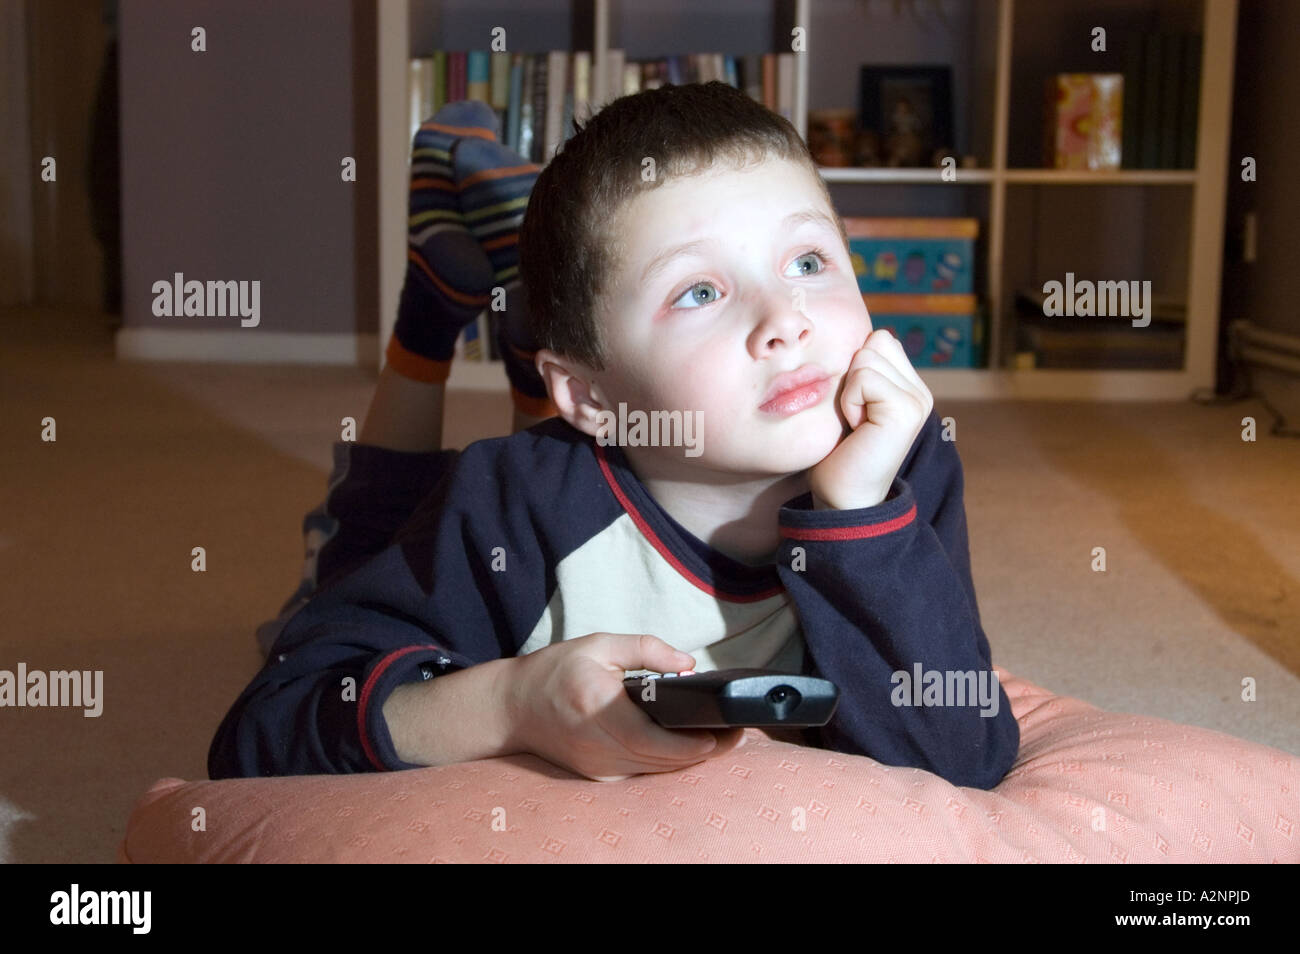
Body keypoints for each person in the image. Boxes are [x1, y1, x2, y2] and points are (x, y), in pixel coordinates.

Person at [210, 82, 1020, 790]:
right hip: (513, 479)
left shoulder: (897, 460)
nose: (787, 319)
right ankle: (430, 307)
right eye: (700, 291)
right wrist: (512, 703)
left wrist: (859, 519)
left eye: (808, 263)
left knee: (567, 400)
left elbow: (963, 760)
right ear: (589, 395)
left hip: (591, 409)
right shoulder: (507, 505)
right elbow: (265, 731)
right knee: (366, 534)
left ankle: (525, 304)